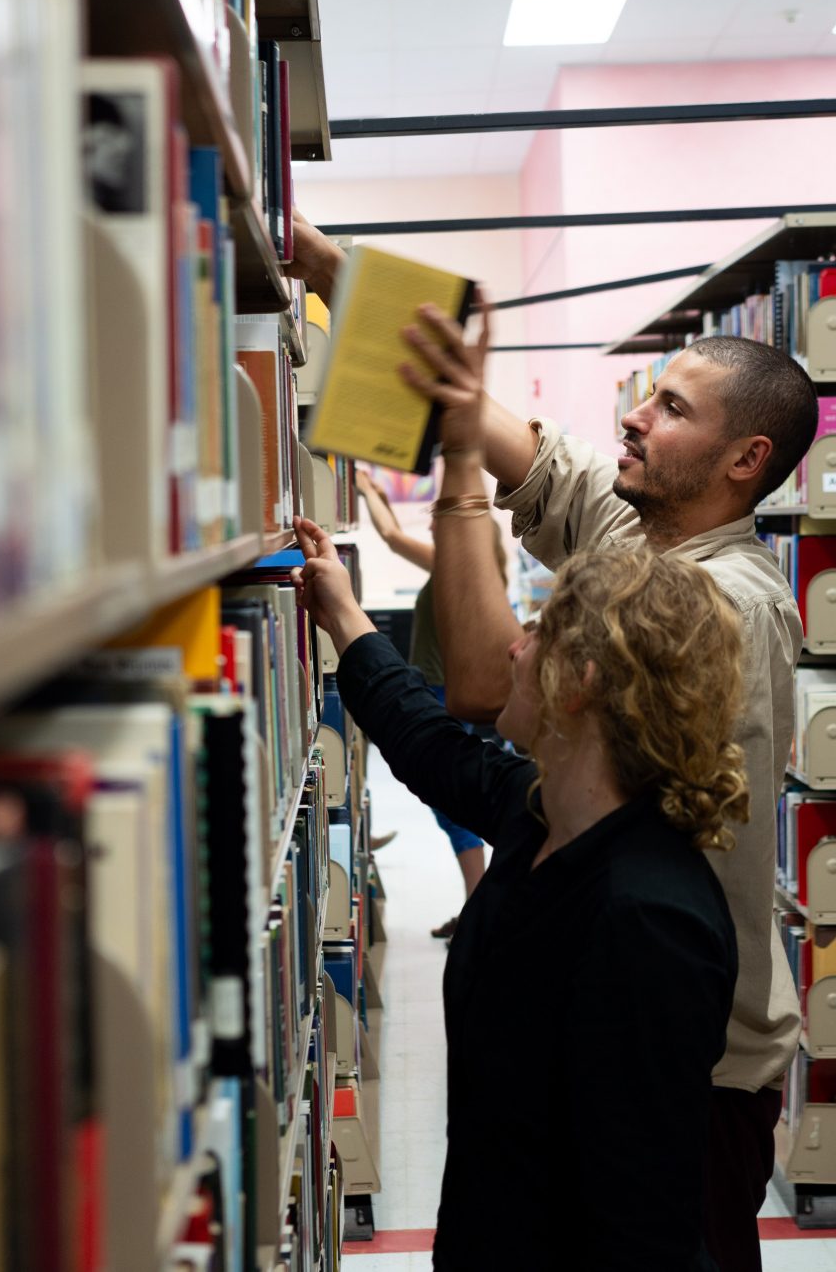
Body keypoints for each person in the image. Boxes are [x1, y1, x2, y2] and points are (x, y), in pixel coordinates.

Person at [288, 209, 816, 1272]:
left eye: (670, 408)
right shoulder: (640, 523)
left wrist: (452, 474)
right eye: (645, 392)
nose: (633, 416)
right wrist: (313, 263)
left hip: (687, 1054)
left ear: (742, 459)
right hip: (593, 1000)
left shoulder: (718, 604)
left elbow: (481, 686)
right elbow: (480, 415)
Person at [293, 516, 745, 1272]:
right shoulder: (540, 812)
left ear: (585, 680)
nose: (513, 646)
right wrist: (343, 614)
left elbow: (641, 1225)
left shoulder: (650, 920)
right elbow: (427, 743)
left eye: (537, 633)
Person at [353, 467, 509, 936]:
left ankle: (480, 907)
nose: (432, 527)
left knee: (452, 802)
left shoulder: (455, 564)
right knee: (455, 799)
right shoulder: (478, 565)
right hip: (446, 689)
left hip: (443, 692)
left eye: (438, 520)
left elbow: (392, 536)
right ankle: (480, 904)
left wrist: (365, 490)